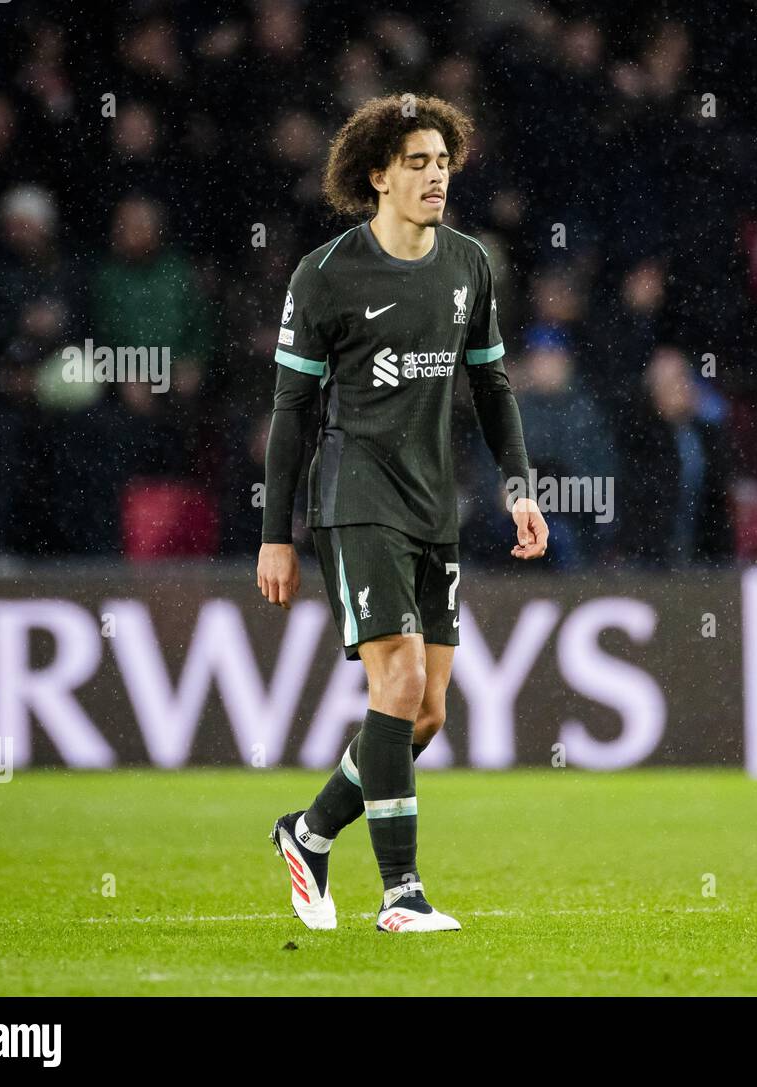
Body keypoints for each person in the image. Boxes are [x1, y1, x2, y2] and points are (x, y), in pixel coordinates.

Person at [256, 94, 547, 934]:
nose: (434, 176)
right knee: (400, 681)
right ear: (376, 175)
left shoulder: (469, 264)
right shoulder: (324, 274)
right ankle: (401, 893)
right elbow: (291, 414)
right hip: (355, 499)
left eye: (442, 162)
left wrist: (520, 486)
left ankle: (308, 835)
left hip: (434, 503)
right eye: (416, 162)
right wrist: (278, 533)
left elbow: (491, 384)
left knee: (426, 712)